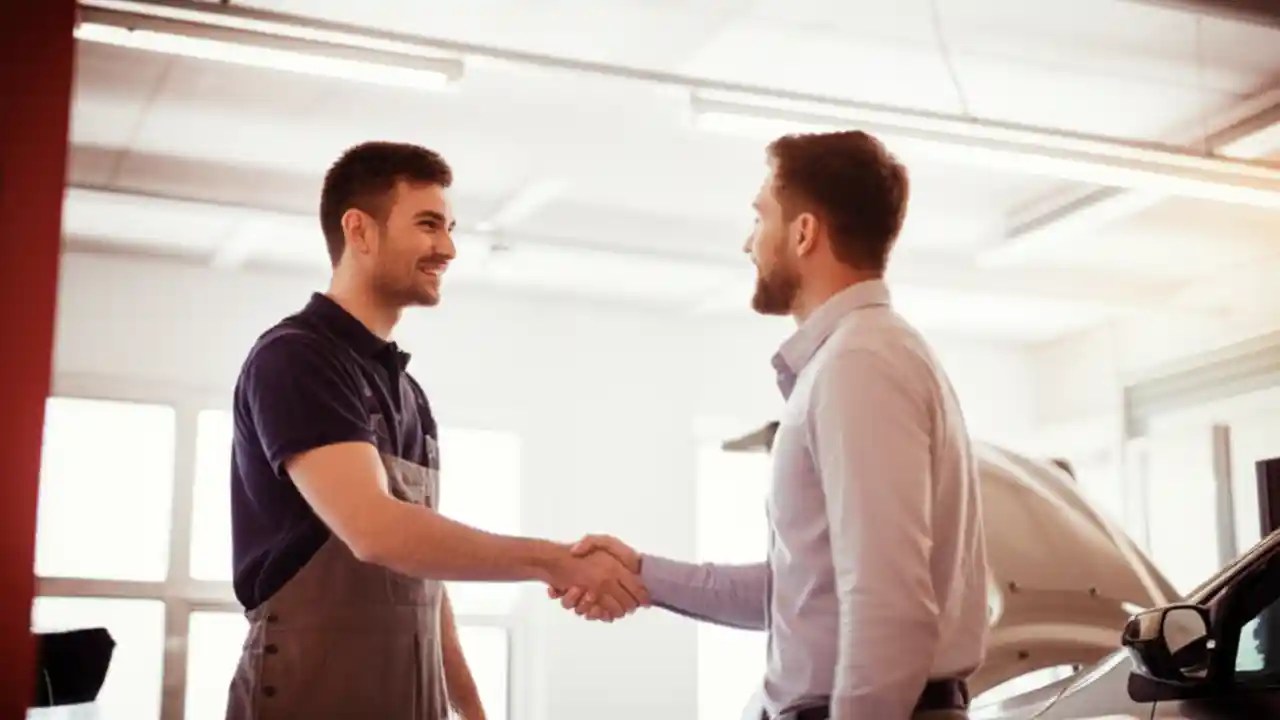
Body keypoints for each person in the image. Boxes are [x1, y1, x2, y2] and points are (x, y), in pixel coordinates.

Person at [553, 131, 989, 720]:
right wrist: (644, 575)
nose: (747, 242)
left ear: (804, 232)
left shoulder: (861, 364)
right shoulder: (858, 358)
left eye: (760, 217)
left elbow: (889, 603)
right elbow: (804, 592)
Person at [224, 141, 648, 720]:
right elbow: (377, 532)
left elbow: (422, 582)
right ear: (360, 230)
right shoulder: (297, 360)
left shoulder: (407, 392)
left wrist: (472, 711)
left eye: (449, 228)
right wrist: (553, 560)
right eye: (428, 225)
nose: (448, 248)